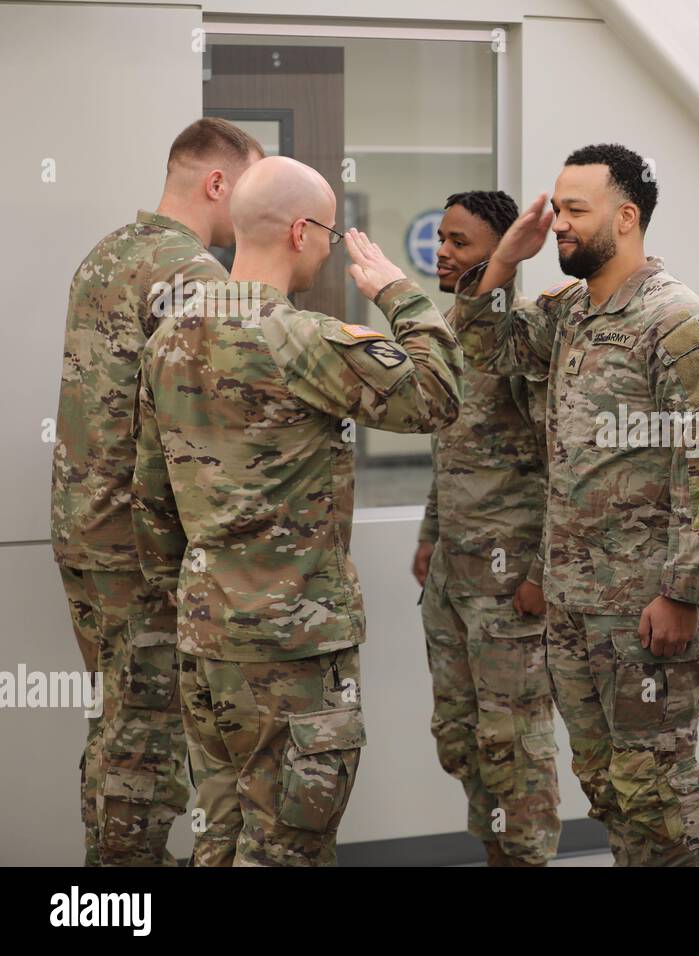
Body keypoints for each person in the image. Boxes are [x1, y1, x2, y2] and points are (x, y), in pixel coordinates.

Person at [131, 155, 463, 865]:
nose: (330, 247)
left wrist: (187, 600)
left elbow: (152, 499)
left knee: (219, 839)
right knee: (287, 848)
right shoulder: (304, 340)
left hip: (206, 636)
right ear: (301, 232)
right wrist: (400, 294)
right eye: (331, 233)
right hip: (294, 649)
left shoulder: (167, 341)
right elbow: (438, 393)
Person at [453, 143, 699, 865]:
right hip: (575, 603)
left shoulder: (677, 324)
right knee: (607, 787)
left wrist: (683, 592)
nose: (561, 223)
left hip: (642, 606)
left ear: (627, 216)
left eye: (576, 209)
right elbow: (485, 345)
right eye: (557, 206)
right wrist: (506, 260)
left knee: (656, 792)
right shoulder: (570, 312)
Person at [51, 117, 264, 865]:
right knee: (145, 740)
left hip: (86, 535)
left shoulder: (106, 254)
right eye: (252, 187)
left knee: (115, 724)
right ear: (217, 185)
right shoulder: (195, 275)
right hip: (141, 548)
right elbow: (200, 425)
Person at [412, 190, 559, 866]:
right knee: (460, 734)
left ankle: (522, 855)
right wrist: (429, 533)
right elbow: (452, 446)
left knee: (514, 743)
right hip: (453, 574)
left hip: (509, 583)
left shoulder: (522, 337)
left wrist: (541, 572)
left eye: (460, 242)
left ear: (501, 251)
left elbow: (565, 464)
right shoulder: (448, 330)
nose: (443, 251)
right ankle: (494, 851)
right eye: (442, 238)